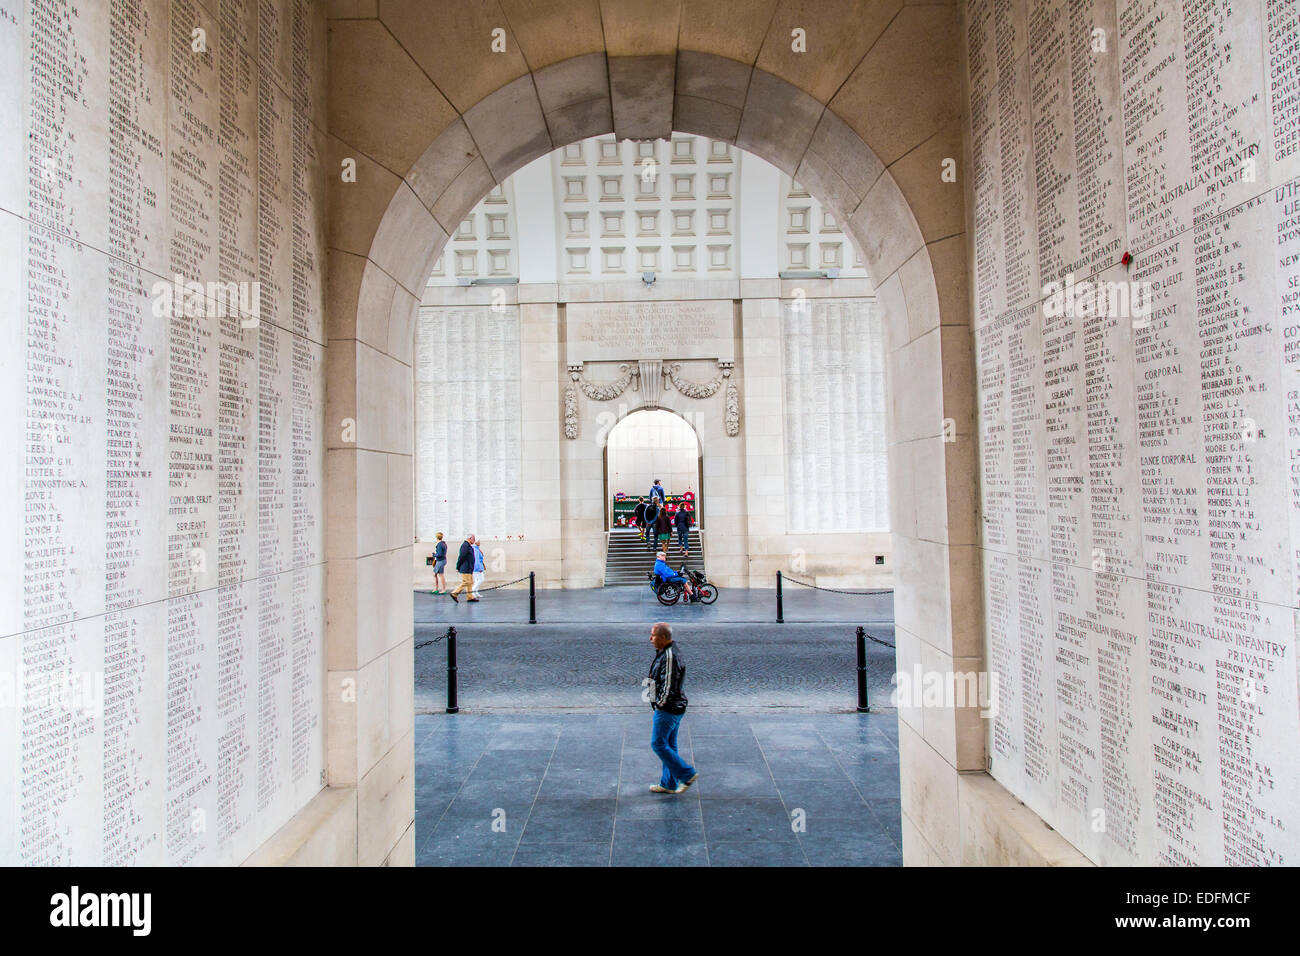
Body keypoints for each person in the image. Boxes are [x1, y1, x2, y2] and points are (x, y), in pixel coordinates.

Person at [645, 621, 698, 794]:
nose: (650, 639)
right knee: (669, 744)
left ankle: (686, 774)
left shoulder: (669, 656)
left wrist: (659, 704)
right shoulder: (665, 652)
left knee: (658, 744)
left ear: (663, 637)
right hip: (673, 707)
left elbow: (668, 684)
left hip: (668, 709)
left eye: (653, 635)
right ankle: (668, 783)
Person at [448, 535, 478, 603]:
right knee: (466, 582)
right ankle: (454, 593)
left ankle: (470, 597)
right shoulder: (465, 546)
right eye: (473, 539)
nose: (474, 540)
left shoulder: (468, 545)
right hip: (466, 567)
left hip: (469, 567)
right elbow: (462, 556)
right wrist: (458, 566)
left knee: (470, 582)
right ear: (469, 538)